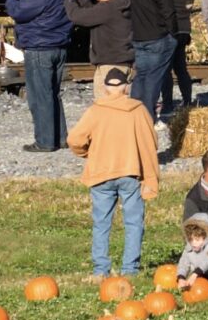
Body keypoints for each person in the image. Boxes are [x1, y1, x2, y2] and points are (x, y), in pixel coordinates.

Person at [66, 66, 158, 278]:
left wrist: (87, 153)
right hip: (130, 172)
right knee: (133, 222)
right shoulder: (138, 110)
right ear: (126, 88)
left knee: (101, 223)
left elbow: (74, 139)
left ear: (106, 88)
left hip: (101, 174)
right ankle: (130, 270)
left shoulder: (95, 110)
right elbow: (151, 142)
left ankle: (100, 270)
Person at [3, 0, 72, 152]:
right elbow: (39, 8)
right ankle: (60, 138)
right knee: (53, 93)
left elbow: (21, 13)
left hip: (40, 47)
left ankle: (45, 142)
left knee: (39, 96)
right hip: (58, 46)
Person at [118, 0, 179, 132]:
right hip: (158, 36)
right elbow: (168, 10)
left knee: (140, 77)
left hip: (137, 36)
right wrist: (174, 34)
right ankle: (148, 118)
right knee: (153, 79)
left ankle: (134, 115)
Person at [64, 0, 133, 96]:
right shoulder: (118, 5)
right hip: (120, 62)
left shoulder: (109, 8)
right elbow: (94, 12)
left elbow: (78, 16)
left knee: (105, 105)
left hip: (110, 66)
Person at [163, 0, 199, 115]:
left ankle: (167, 104)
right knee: (181, 67)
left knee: (166, 69)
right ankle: (187, 100)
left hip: (172, 28)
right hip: (184, 28)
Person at [175, 212, 208, 294]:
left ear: (206, 237)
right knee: (197, 287)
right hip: (201, 275)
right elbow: (183, 263)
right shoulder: (188, 249)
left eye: (197, 240)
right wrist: (181, 277)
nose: (194, 243)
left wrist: (195, 274)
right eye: (191, 240)